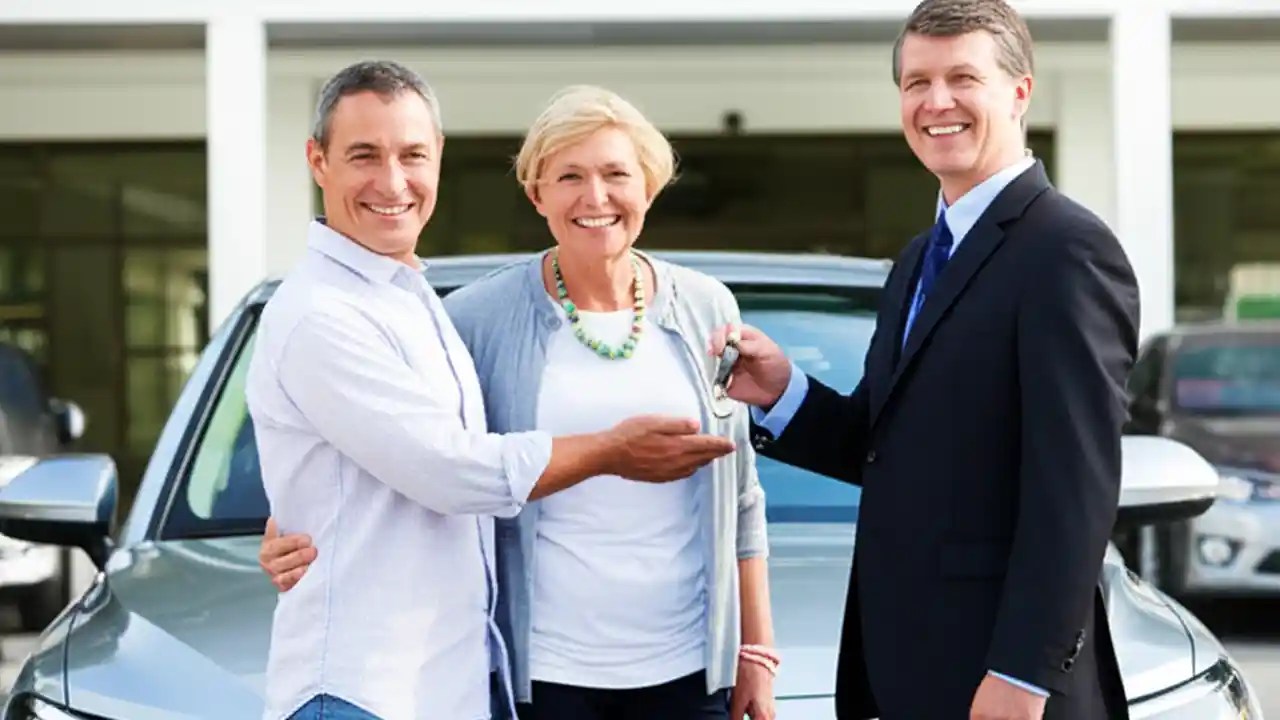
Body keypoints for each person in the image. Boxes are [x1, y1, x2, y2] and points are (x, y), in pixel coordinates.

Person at [247, 61, 736, 720]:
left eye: (412, 155)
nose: (393, 182)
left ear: (438, 160)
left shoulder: (411, 297)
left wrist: (310, 514)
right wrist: (612, 452)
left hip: (457, 685)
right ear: (317, 161)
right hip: (363, 690)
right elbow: (449, 469)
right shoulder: (322, 314)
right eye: (364, 156)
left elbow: (369, 466)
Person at [709, 1, 1140, 718]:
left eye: (962, 78)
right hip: (903, 672)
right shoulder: (918, 260)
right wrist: (786, 393)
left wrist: (1024, 676)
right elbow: (891, 447)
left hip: (998, 686)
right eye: (916, 83)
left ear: (1019, 92)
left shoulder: (1066, 251)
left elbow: (1075, 492)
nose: (936, 103)